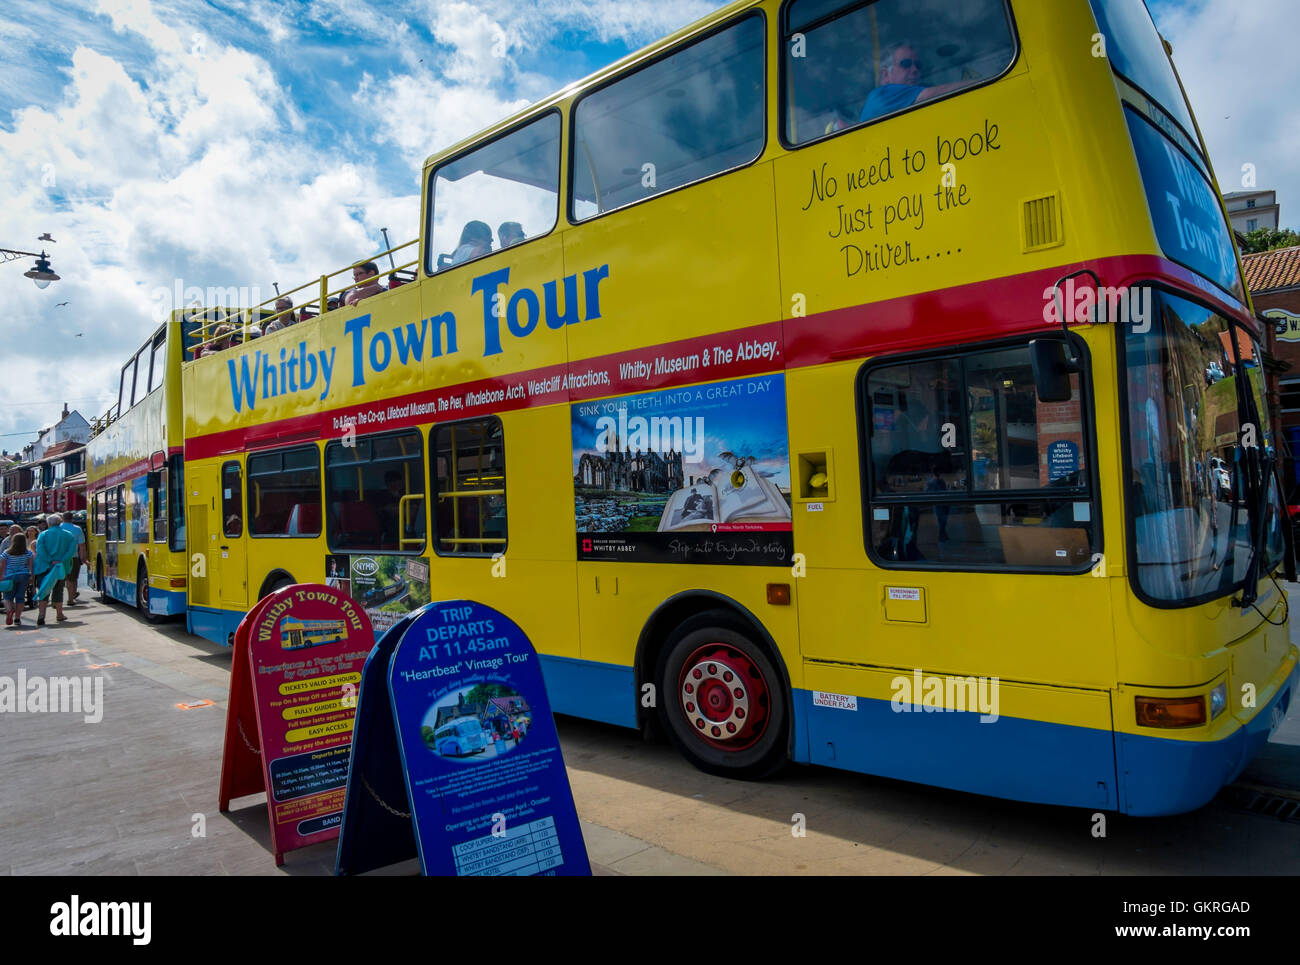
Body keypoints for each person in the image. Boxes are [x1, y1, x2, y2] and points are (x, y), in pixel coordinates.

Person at [860, 43, 972, 122]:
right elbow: (934, 94)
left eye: (918, 65)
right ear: (885, 75)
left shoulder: (906, 102)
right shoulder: (883, 94)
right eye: (906, 64)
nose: (915, 70)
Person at [33, 512, 77, 625]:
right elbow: (71, 551)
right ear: (60, 522)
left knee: (43, 590)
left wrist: (50, 560)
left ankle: (41, 615)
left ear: (48, 523)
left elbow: (40, 550)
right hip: (60, 567)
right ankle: (59, 614)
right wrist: (60, 560)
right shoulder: (68, 535)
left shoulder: (43, 535)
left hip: (44, 566)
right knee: (58, 590)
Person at [2, 532, 35, 627]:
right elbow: (30, 566)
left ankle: (9, 610)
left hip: (10, 576)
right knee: (20, 597)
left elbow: (3, 566)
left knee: (7, 597)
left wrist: (1, 576)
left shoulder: (6, 552)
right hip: (24, 575)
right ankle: (17, 618)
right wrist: (32, 577)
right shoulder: (28, 553)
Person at [60, 515, 87, 604]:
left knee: (59, 580)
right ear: (72, 519)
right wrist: (83, 557)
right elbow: (82, 545)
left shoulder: (57, 528)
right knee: (72, 578)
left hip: (58, 558)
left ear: (62, 518)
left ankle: (57, 601)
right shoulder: (77, 528)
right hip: (73, 557)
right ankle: (70, 599)